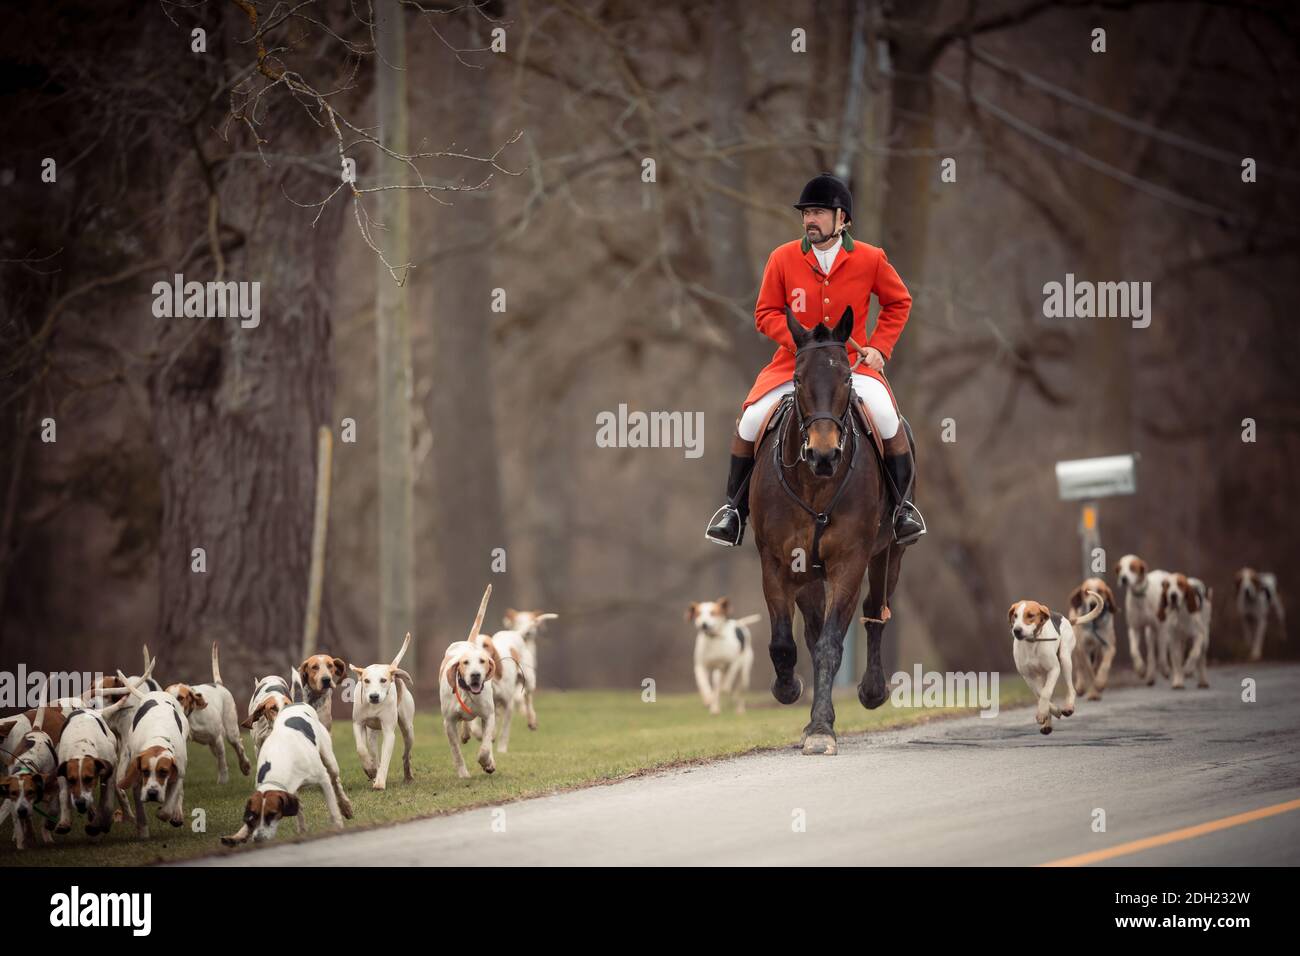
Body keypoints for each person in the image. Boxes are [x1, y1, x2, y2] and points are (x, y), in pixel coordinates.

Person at [704, 172, 926, 548]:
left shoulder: (871, 259)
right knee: (750, 421)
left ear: (843, 220)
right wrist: (801, 342)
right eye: (807, 212)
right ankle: (734, 512)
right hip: (793, 364)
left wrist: (880, 347)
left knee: (888, 418)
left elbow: (898, 302)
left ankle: (902, 510)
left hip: (852, 364)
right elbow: (765, 312)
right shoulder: (783, 258)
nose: (811, 219)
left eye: (820, 212)